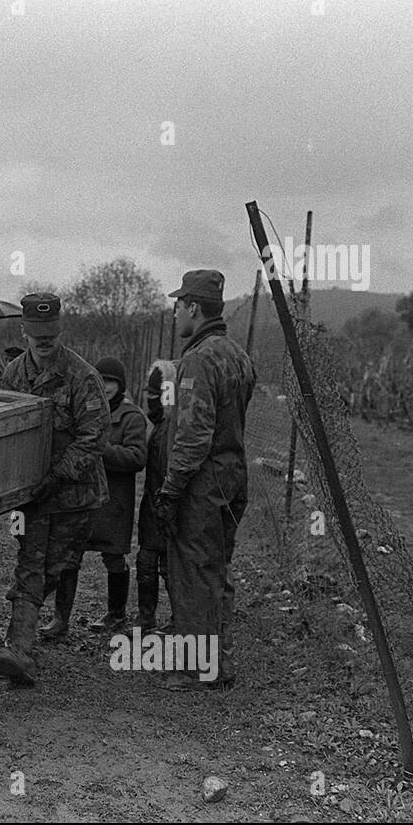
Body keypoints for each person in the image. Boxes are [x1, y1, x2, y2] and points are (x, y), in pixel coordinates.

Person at [0, 294, 109, 685]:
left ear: (61, 329)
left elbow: (94, 437)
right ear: (24, 331)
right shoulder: (12, 375)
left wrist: (56, 476)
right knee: (30, 564)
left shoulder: (82, 376)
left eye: (51, 333)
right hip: (30, 497)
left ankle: (25, 638)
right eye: (36, 334)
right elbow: (2, 428)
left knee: (57, 567)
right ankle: (19, 650)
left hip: (72, 497)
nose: (44, 341)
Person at [155, 270, 255, 691]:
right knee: (216, 567)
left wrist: (171, 488)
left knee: (192, 568)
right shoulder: (237, 354)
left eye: (179, 305)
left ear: (193, 308)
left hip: (204, 479)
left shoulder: (198, 359)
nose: (175, 313)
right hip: (233, 473)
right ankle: (221, 658)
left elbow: (194, 434)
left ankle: (197, 667)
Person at [57, 356, 148, 637]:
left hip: (114, 503)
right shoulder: (86, 409)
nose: (106, 387)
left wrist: (101, 449)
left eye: (111, 382)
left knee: (113, 559)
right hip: (83, 497)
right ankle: (60, 618)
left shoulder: (131, 417)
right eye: (102, 380)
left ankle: (116, 613)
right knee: (70, 558)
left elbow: (137, 457)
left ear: (120, 385)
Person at [133, 359, 176, 635]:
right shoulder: (159, 426)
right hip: (153, 503)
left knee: (169, 566)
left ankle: (178, 619)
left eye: (155, 394)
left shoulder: (173, 427)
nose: (150, 400)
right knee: (147, 563)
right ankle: (146, 617)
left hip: (168, 504)